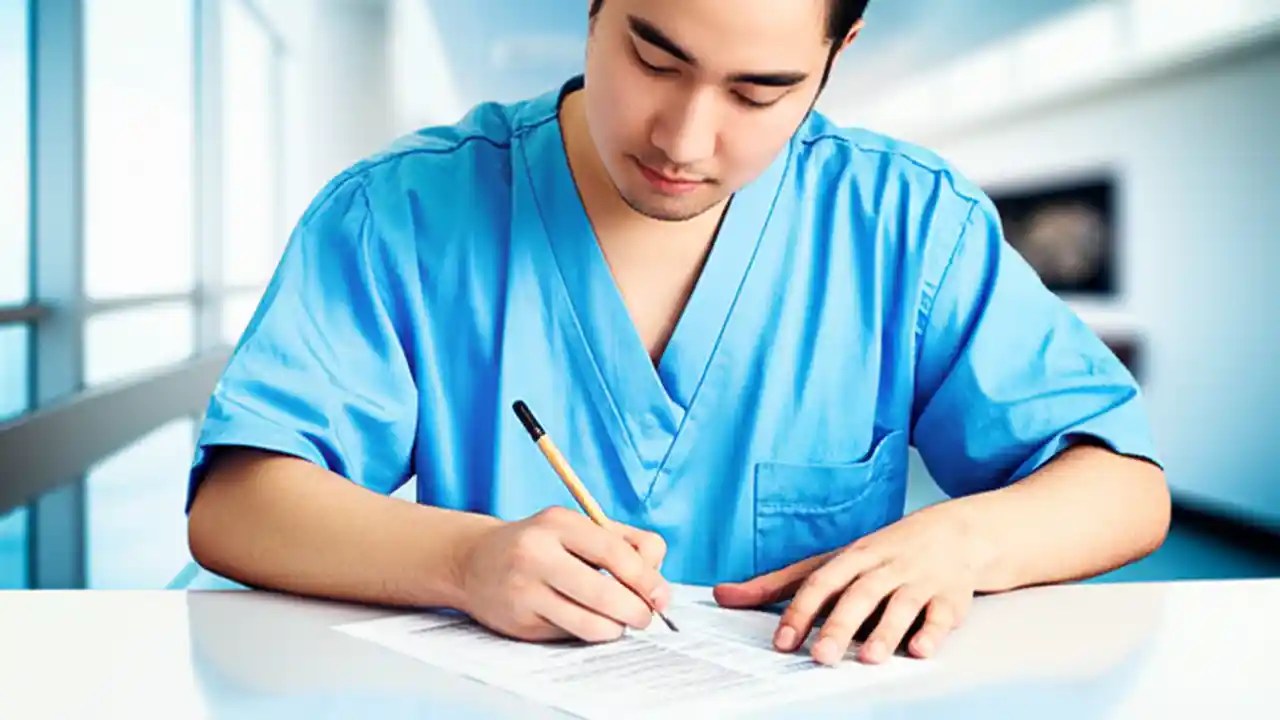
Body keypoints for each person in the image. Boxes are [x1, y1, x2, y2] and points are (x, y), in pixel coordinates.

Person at [186, 0, 1170, 667]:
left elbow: (1121, 486)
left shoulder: (904, 224)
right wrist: (463, 561)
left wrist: (963, 541)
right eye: (654, 58)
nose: (683, 140)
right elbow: (238, 502)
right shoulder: (401, 213)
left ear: (839, 52)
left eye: (758, 92)